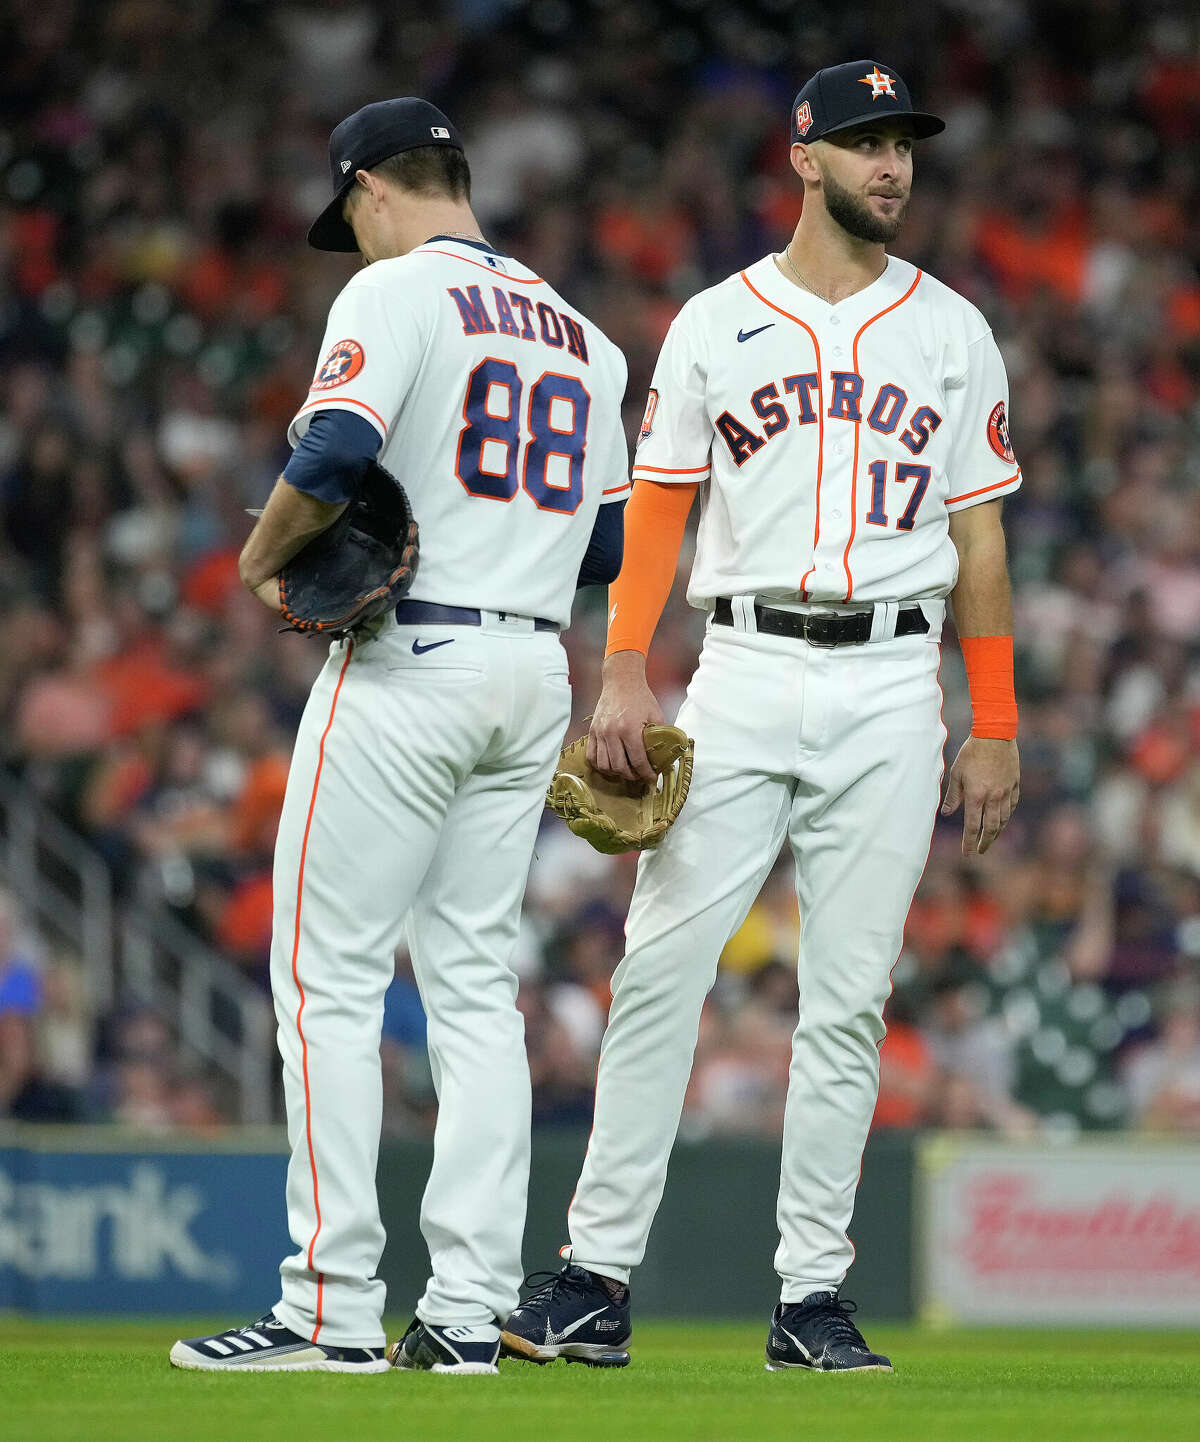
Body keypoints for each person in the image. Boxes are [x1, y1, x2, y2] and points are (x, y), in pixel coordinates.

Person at [502, 60, 1021, 1374]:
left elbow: (981, 539)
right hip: (739, 666)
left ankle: (811, 1295)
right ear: (802, 156)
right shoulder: (715, 322)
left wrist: (997, 716)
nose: (891, 164)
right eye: (865, 142)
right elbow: (658, 508)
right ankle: (593, 1277)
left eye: (903, 143)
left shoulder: (952, 329)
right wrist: (625, 669)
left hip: (894, 682)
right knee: (659, 967)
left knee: (849, 1001)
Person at [170, 97, 631, 1375]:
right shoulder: (587, 338)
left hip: (410, 659)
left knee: (325, 977)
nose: (354, 238)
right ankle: (469, 1311)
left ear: (373, 185)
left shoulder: (395, 292)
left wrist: (261, 561)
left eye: (351, 213)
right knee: (476, 987)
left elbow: (333, 451)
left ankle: (326, 1307)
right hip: (531, 667)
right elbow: (604, 546)